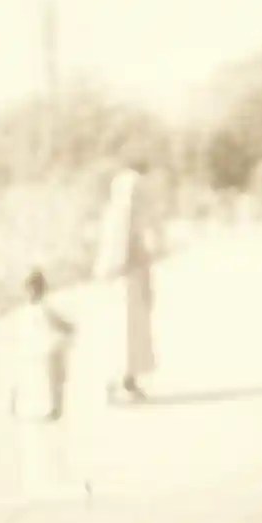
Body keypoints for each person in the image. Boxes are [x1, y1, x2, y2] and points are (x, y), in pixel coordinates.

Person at [92, 162, 158, 402]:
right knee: (120, 332)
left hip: (133, 278)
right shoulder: (118, 215)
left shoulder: (130, 215)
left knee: (133, 332)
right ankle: (118, 383)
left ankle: (128, 381)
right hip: (121, 280)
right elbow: (115, 252)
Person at [9, 268, 75, 422]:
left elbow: (65, 326)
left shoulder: (43, 308)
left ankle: (53, 409)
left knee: (48, 378)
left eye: (33, 289)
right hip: (41, 350)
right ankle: (51, 408)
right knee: (46, 378)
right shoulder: (36, 309)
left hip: (44, 350)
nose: (31, 292)